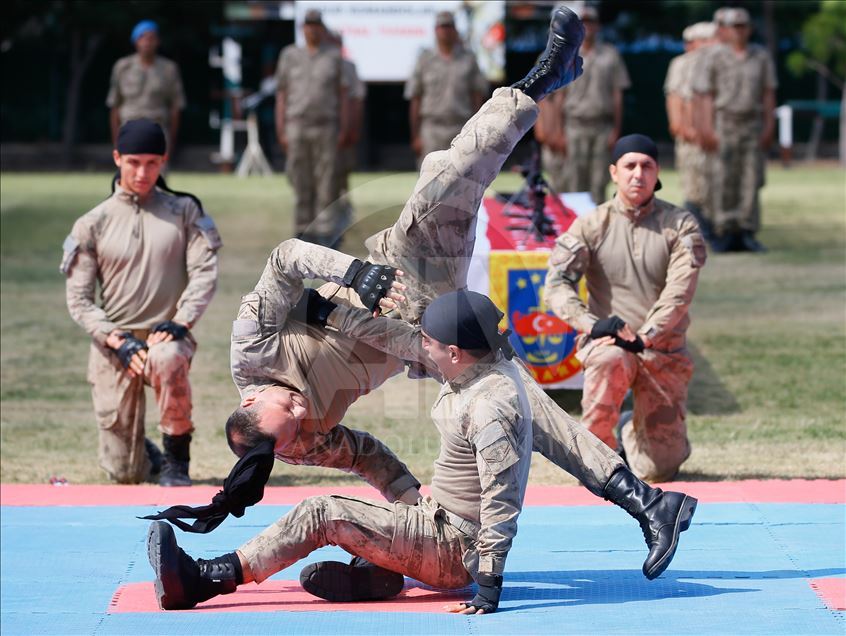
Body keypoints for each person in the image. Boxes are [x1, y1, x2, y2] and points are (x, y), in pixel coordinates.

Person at [148, 7, 696, 589]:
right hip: (427, 340)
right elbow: (367, 455)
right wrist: (410, 517)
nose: (304, 419)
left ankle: (540, 80)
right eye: (292, 436)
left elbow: (286, 257)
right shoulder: (298, 441)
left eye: (290, 417)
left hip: (394, 272)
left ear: (256, 401)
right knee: (524, 400)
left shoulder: (251, 348)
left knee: (446, 175)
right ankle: (646, 502)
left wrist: (356, 276)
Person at [147, 290, 534, 614]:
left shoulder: (490, 407)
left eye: (428, 343)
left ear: (455, 351)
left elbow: (502, 497)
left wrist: (489, 580)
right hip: (441, 530)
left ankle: (204, 580)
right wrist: (414, 505)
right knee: (373, 494)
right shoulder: (480, 382)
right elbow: (367, 445)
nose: (420, 349)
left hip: (454, 549)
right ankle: (377, 569)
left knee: (323, 512)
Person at [62, 119, 221, 486]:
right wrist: (116, 340)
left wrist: (180, 323)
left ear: (163, 161)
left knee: (166, 359)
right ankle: (142, 452)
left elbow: (204, 273)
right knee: (123, 473)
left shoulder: (184, 211)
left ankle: (176, 461)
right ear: (117, 158)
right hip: (114, 344)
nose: (143, 171)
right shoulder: (92, 223)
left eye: (152, 162)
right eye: (134, 161)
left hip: (166, 336)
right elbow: (80, 300)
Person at [544, 133, 707, 483]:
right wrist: (591, 325)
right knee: (608, 360)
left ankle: (635, 434)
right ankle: (600, 460)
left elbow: (679, 293)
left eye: (646, 166)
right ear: (614, 172)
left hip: (662, 350)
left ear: (658, 172)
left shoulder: (681, 226)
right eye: (629, 166)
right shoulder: (591, 224)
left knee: (660, 470)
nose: (638, 174)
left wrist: (646, 336)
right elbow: (556, 285)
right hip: (610, 345)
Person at [692, 7, 777, 253]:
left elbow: (768, 93)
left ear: (749, 29)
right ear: (725, 30)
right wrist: (706, 128)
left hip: (751, 123)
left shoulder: (760, 57)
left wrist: (769, 126)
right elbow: (705, 95)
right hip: (724, 122)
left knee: (751, 178)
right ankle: (724, 229)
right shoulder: (714, 56)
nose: (739, 31)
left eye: (743, 26)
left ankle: (747, 229)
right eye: (734, 26)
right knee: (723, 177)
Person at [535, 5, 630, 203]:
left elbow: (617, 95)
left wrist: (616, 130)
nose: (588, 26)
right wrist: (558, 132)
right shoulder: (566, 55)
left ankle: (599, 229)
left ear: (598, 26)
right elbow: (557, 98)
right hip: (574, 125)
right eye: (583, 22)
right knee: (573, 182)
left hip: (602, 126)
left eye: (591, 22)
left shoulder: (610, 55)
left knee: (599, 182)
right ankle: (576, 228)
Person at [275, 9, 350, 246]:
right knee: (300, 179)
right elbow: (282, 95)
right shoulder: (289, 55)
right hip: (296, 125)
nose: (312, 29)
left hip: (326, 126)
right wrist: (281, 128)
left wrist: (344, 127)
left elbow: (344, 95)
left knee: (327, 181)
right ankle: (302, 231)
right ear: (302, 28)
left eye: (317, 24)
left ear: (322, 28)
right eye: (308, 24)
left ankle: (326, 232)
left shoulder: (334, 56)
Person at [405, 11, 489, 163]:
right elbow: (415, 98)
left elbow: (477, 97)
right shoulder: (424, 60)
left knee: (463, 180)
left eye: (449, 26)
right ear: (436, 30)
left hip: (462, 127)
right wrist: (415, 135)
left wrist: (477, 131)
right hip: (432, 129)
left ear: (455, 29)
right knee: (430, 180)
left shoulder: (469, 59)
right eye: (442, 26)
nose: (446, 30)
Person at [664, 22, 717, 238]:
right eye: (703, 41)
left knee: (712, 182)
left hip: (713, 134)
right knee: (694, 181)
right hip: (692, 134)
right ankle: (697, 224)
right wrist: (680, 125)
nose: (708, 45)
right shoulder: (682, 64)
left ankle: (715, 224)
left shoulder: (716, 63)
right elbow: (675, 95)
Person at [107, 20, 186, 153]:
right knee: (129, 172)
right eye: (142, 37)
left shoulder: (169, 69)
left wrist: (171, 141)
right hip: (128, 128)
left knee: (156, 171)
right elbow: (115, 105)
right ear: (135, 41)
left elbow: (176, 107)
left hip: (157, 128)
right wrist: (116, 140)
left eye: (151, 38)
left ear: (158, 41)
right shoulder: (123, 67)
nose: (147, 42)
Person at [329, 30, 366, 238]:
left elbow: (357, 101)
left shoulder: (348, 67)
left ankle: (341, 219)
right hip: (325, 131)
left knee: (341, 178)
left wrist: (352, 129)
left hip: (342, 134)